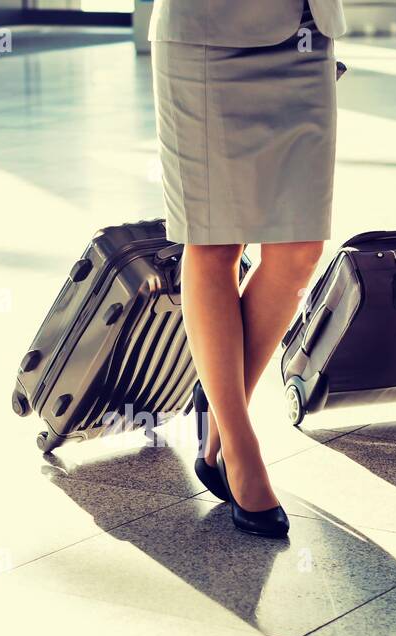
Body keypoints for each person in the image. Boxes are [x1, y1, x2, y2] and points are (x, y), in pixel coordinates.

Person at [149, 0, 347, 537]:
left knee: (299, 247)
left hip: (307, 37)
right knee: (215, 242)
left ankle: (219, 408)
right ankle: (238, 445)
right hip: (208, 41)